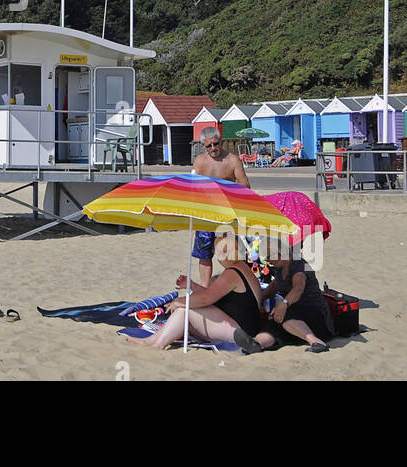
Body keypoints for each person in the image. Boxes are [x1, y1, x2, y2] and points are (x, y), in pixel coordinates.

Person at [125, 233, 264, 350]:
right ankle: (151, 341)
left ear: (222, 253)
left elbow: (206, 299)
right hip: (246, 325)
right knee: (185, 308)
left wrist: (179, 302)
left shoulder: (231, 274)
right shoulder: (241, 268)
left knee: (184, 310)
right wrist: (191, 285)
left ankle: (156, 343)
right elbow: (214, 295)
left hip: (241, 331)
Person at [189, 126, 249, 286]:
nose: (213, 148)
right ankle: (205, 287)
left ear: (220, 141)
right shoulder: (200, 162)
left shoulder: (232, 160)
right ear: (203, 146)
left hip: (228, 212)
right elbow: (191, 186)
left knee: (230, 250)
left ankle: (235, 283)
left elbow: (245, 185)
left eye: (216, 144)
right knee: (204, 252)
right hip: (206, 213)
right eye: (209, 146)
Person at [255, 251, 333, 353]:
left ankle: (316, 342)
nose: (268, 261)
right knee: (274, 322)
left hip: (315, 313)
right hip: (296, 317)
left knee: (284, 313)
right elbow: (272, 289)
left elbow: (298, 288)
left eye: (269, 257)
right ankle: (255, 344)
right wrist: (258, 299)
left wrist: (283, 304)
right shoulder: (280, 269)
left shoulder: (299, 264)